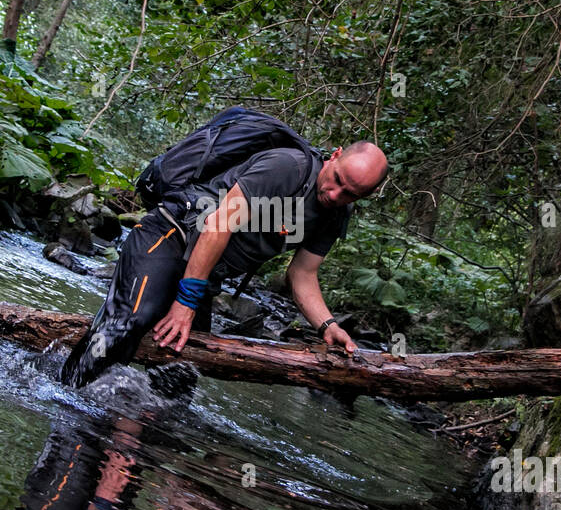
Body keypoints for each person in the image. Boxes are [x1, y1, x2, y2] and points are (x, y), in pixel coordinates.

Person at [60, 136, 389, 388]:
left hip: (202, 272)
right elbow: (219, 224)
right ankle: (63, 394)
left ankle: (129, 448)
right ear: (335, 156)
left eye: (350, 194)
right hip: (168, 236)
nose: (335, 195)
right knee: (129, 322)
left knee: (180, 371)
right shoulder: (289, 168)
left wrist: (328, 326)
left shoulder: (333, 216)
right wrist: (184, 304)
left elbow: (302, 274)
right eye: (338, 180)